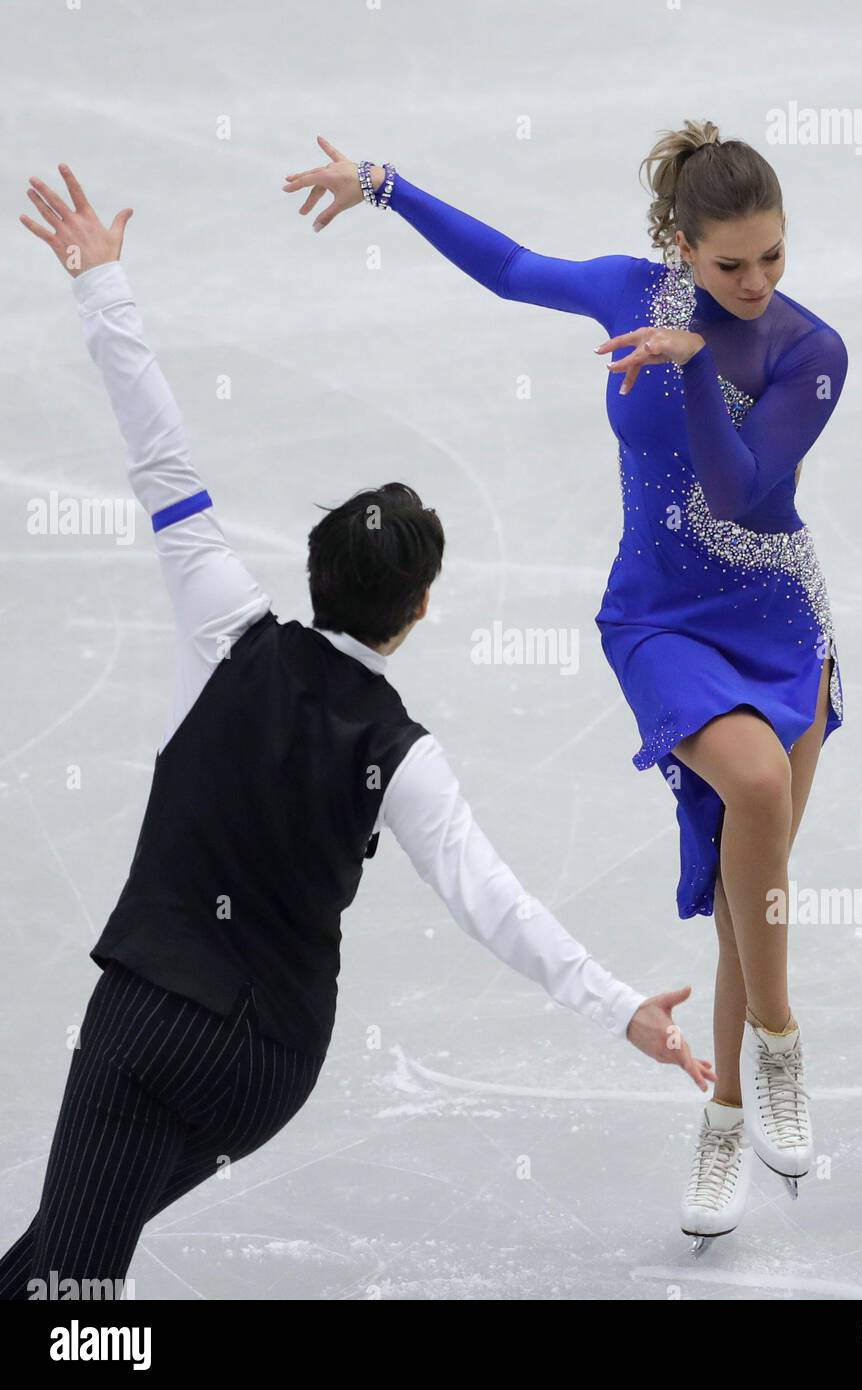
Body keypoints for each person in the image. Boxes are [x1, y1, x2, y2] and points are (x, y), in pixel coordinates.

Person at [1, 164, 714, 1300]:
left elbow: (162, 460)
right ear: (417, 612)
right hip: (273, 1064)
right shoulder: (404, 756)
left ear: (311, 574)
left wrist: (104, 287)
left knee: (71, 1306)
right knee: (51, 1265)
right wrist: (623, 1007)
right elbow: (497, 903)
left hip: (152, 1023)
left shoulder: (226, 627)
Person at [282, 118, 849, 1252]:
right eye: (730, 262)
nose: (755, 282)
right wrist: (387, 185)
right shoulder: (626, 290)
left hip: (778, 618)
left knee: (753, 883)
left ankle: (729, 1114)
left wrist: (693, 372)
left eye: (773, 257)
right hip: (658, 617)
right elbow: (509, 268)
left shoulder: (810, 349)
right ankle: (779, 1038)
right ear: (680, 246)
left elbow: (739, 493)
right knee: (755, 794)